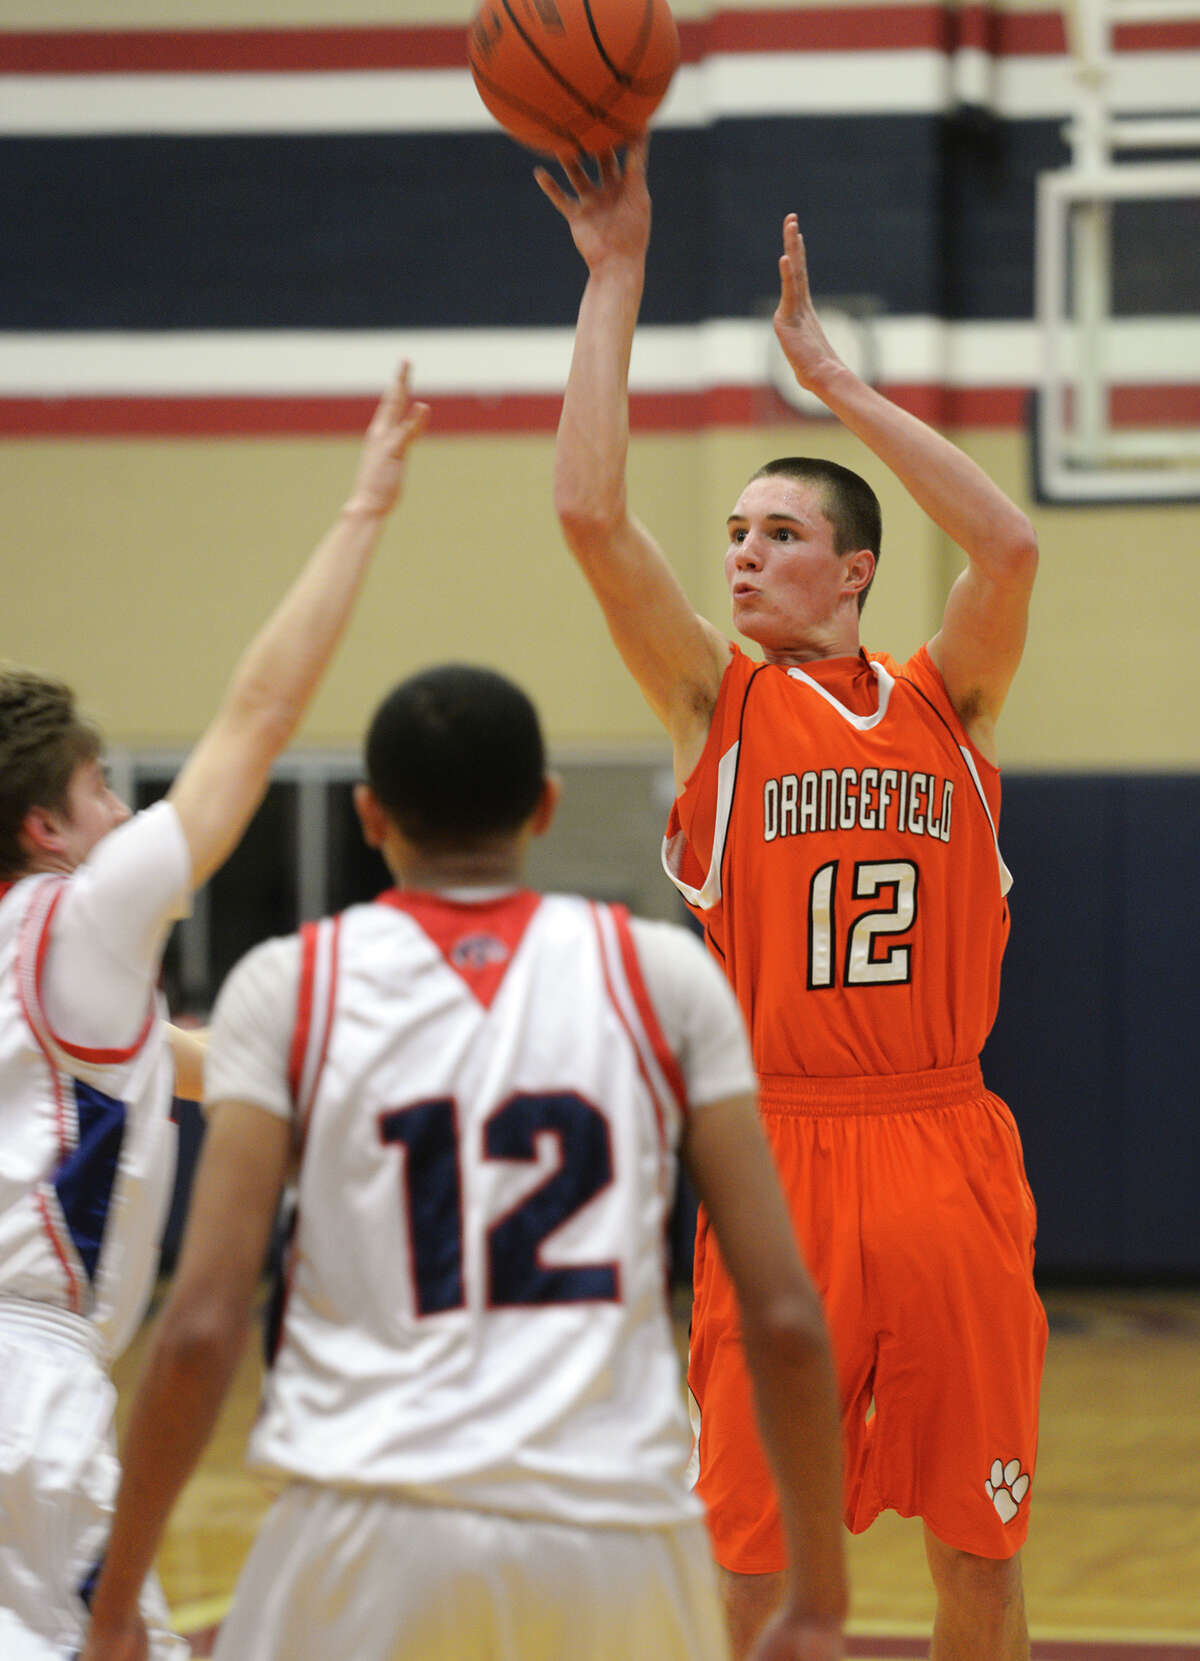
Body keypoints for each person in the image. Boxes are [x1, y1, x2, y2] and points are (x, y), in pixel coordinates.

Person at [539, 138, 1048, 1661]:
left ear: (856, 574)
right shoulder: (717, 706)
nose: (744, 556)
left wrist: (834, 386)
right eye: (736, 537)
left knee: (980, 1550)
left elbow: (1011, 541)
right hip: (787, 1155)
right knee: (753, 1568)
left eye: (781, 536)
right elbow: (586, 515)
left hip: (949, 1145)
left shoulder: (948, 700)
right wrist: (616, 274)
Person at [79, 663, 847, 1661]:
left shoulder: (291, 984)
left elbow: (200, 1328)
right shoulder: (662, 976)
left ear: (368, 814)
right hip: (614, 1535)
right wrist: (821, 1600)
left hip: (367, 1522)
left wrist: (113, 1604)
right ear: (545, 805)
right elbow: (783, 1316)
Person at [0, 364, 430, 1661]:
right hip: (24, 1382)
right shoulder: (74, 916)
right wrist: (362, 510)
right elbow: (259, 717)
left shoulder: (55, 991)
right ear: (47, 830)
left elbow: (164, 1067)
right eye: (100, 793)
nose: (125, 818)